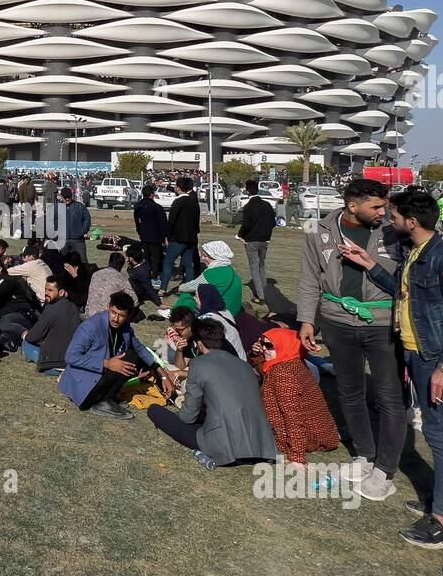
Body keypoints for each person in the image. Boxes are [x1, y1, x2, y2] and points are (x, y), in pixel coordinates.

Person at [340, 189, 443, 544]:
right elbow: (404, 292)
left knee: (439, 434)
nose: (390, 219)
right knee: (441, 432)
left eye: (396, 216)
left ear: (411, 222)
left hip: (435, 357)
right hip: (417, 354)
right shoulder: (417, 252)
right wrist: (368, 264)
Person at [296, 178, 405, 497]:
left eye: (385, 206)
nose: (383, 211)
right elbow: (309, 277)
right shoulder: (319, 230)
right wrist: (306, 320)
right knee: (350, 392)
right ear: (352, 206)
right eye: (376, 206)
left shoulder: (393, 231)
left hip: (382, 321)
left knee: (388, 396)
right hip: (336, 320)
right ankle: (364, 455)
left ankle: (385, 469)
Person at [147, 320, 277, 467]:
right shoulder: (245, 366)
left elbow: (187, 417)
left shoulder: (199, 364)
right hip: (260, 444)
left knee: (155, 411)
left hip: (226, 447)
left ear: (199, 344)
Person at [61, 292, 175, 419]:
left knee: (134, 355)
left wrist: (163, 374)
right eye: (113, 312)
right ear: (108, 308)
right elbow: (70, 356)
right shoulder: (91, 326)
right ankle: (101, 400)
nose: (115, 318)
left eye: (121, 315)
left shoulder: (125, 327)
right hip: (84, 385)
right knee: (131, 357)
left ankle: (106, 398)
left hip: (102, 375)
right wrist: (106, 363)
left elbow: (141, 349)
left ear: (128, 316)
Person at [250, 327, 341, 465]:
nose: (264, 348)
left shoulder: (283, 375)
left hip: (309, 437)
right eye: (261, 343)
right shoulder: (292, 361)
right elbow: (262, 368)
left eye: (268, 345)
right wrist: (256, 354)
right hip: (320, 431)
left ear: (283, 346)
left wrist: (297, 456)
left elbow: (293, 418)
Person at [21, 275, 81, 375]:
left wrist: (25, 335)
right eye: (45, 289)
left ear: (61, 292)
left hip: (53, 364)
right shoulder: (73, 307)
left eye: (50, 290)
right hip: (71, 360)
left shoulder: (51, 309)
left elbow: (32, 336)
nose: (46, 293)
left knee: (25, 343)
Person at [173, 240, 242, 315]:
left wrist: (180, 287)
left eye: (205, 256)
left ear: (215, 257)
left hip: (221, 311)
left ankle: (176, 316)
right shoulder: (229, 269)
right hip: (234, 309)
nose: (202, 258)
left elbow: (191, 287)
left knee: (187, 295)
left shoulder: (213, 272)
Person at [236, 179, 276, 306]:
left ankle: (261, 295)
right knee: (261, 266)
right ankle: (266, 292)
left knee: (254, 267)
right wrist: (267, 235)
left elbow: (246, 224)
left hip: (252, 240)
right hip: (264, 240)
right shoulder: (267, 205)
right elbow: (273, 223)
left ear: (248, 191)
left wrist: (240, 235)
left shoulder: (248, 206)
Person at [85, 251, 139, 319]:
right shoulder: (121, 278)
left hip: (89, 315)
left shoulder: (95, 274)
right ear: (121, 266)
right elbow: (135, 301)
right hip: (108, 318)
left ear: (109, 262)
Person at [133, 184, 169, 276]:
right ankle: (155, 275)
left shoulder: (138, 206)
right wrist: (165, 236)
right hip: (156, 236)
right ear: (152, 194)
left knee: (146, 256)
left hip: (144, 234)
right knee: (156, 257)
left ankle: (147, 273)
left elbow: (137, 222)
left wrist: (139, 232)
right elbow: (163, 223)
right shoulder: (157, 207)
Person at [125, 244, 165, 316]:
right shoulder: (144, 263)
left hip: (137, 293)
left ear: (131, 258)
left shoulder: (140, 272)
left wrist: (159, 304)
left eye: (128, 256)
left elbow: (149, 288)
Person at [59, 187, 91, 262]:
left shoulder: (80, 207)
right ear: (61, 197)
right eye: (65, 197)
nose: (67, 199)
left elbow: (87, 219)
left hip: (78, 240)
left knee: (82, 261)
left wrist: (82, 231)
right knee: (63, 262)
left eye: (69, 197)